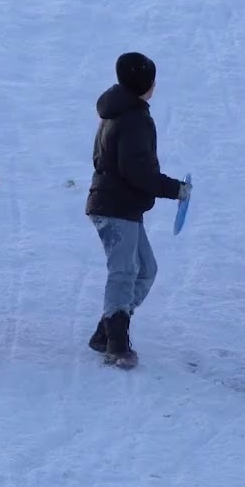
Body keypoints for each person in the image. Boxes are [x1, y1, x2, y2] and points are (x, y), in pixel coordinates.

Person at [84, 52, 190, 369]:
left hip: (119, 205)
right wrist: (173, 189)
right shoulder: (133, 118)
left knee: (146, 269)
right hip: (115, 206)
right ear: (146, 84)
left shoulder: (117, 112)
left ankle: (106, 331)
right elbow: (137, 170)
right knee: (124, 271)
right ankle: (116, 343)